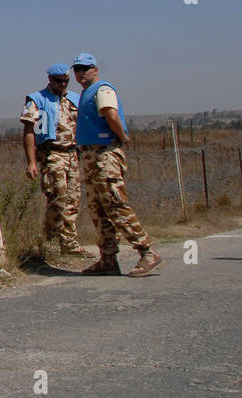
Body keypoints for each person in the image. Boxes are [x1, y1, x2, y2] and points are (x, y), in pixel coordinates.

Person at [70, 54, 161, 277]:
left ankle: (147, 251)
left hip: (105, 154)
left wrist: (121, 136)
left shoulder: (103, 89)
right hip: (91, 155)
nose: (80, 73)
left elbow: (110, 114)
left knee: (115, 203)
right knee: (98, 209)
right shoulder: (86, 93)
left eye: (85, 68)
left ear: (95, 69)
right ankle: (108, 259)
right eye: (77, 69)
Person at [19, 64, 84, 257]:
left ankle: (69, 244)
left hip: (72, 153)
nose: (62, 84)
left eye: (66, 81)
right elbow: (29, 131)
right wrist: (31, 162)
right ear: (50, 79)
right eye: (58, 81)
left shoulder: (75, 99)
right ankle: (51, 240)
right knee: (58, 197)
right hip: (51, 153)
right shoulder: (37, 100)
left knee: (73, 199)